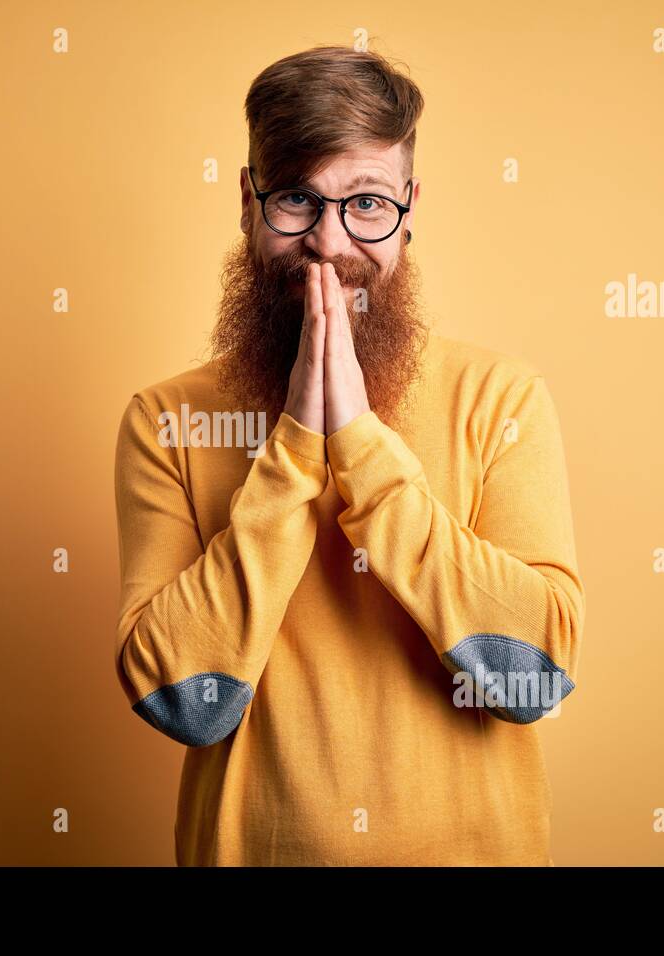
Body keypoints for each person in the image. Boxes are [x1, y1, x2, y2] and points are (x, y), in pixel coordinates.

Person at [112, 44, 586, 865]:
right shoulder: (166, 420)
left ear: (410, 205)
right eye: (296, 198)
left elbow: (534, 676)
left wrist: (362, 445)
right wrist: (295, 448)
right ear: (248, 201)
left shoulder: (502, 399)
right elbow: (183, 699)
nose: (330, 244)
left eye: (366, 202)